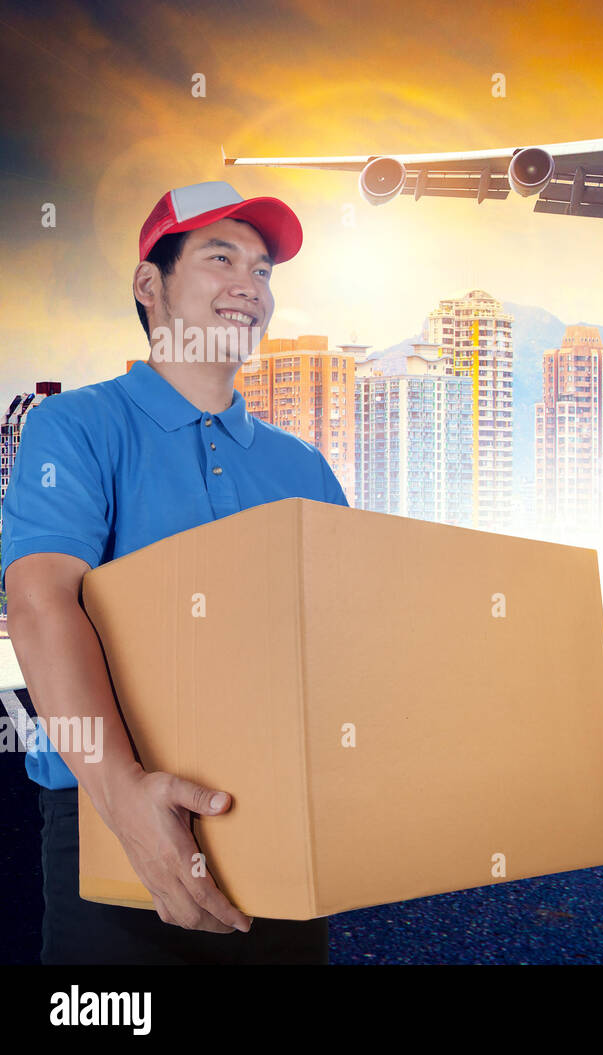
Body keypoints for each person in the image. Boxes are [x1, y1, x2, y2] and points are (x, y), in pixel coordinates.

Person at [1, 180, 348, 964]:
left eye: (262, 269)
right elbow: (42, 601)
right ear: (148, 286)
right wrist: (124, 796)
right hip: (108, 815)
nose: (249, 286)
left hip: (277, 822)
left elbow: (338, 641)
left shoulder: (304, 466)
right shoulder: (76, 427)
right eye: (220, 256)